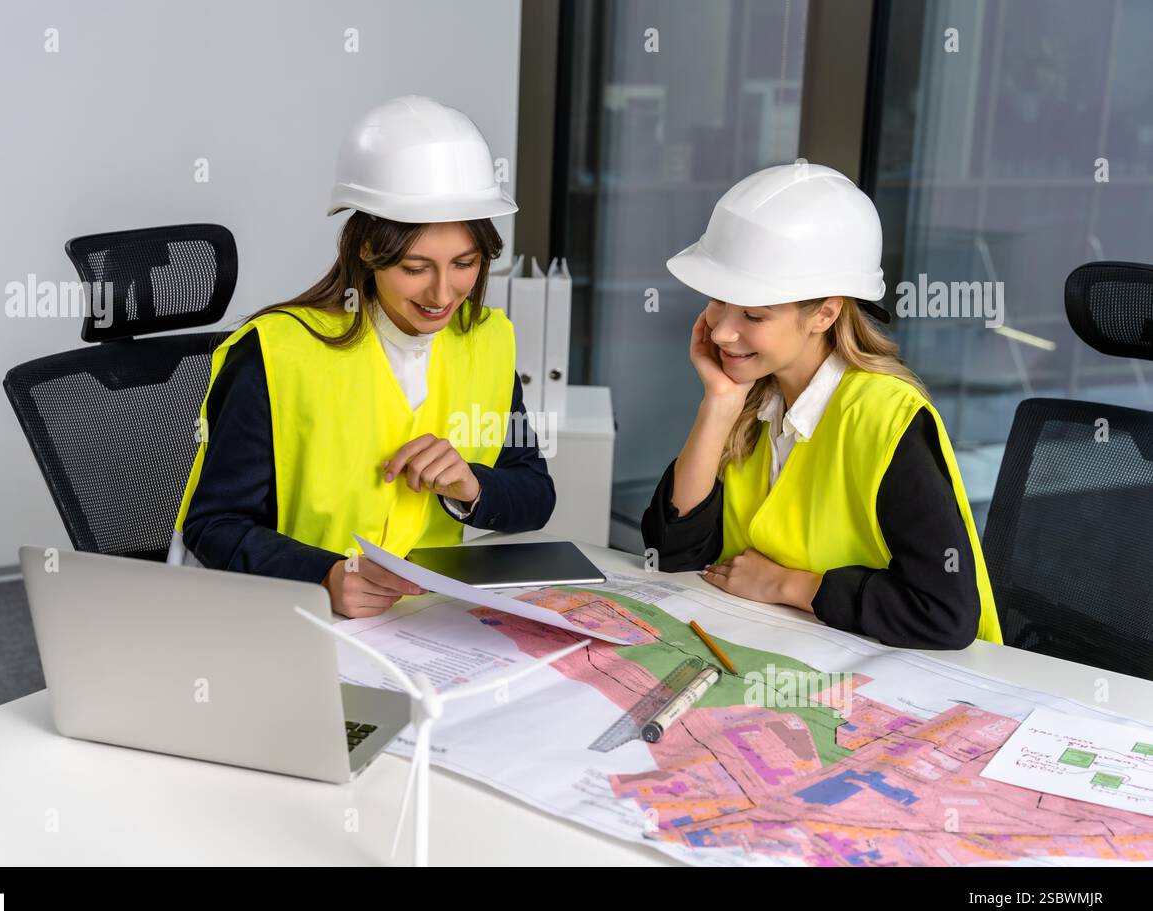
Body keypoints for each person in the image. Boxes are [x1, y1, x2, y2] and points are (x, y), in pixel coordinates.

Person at [170, 96, 555, 618]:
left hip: (424, 620)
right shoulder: (278, 354)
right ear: (368, 252)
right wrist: (323, 575)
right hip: (294, 618)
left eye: (464, 263)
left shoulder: (487, 340)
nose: (443, 293)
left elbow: (535, 494)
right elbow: (213, 525)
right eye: (416, 268)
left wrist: (472, 485)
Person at [640, 162, 1002, 650]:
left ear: (826, 313)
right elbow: (672, 554)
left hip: (918, 688)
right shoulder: (756, 396)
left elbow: (944, 614)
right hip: (780, 651)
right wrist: (719, 405)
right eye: (717, 302)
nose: (723, 331)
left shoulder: (884, 417)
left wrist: (787, 585)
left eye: (753, 314)